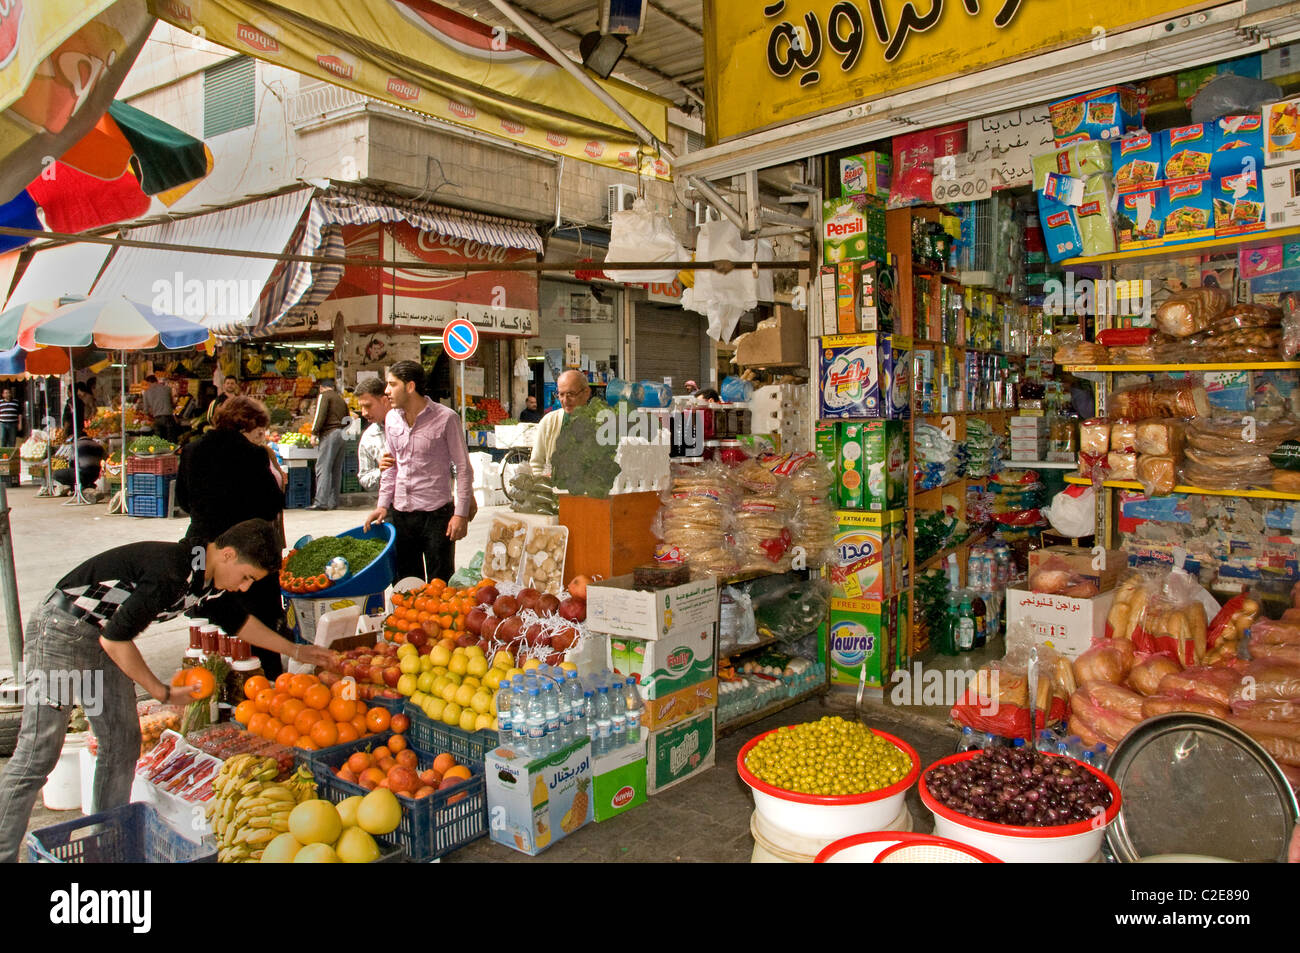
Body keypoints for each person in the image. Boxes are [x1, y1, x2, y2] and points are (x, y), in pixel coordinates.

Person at [0, 519, 334, 863]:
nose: (245, 587)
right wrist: (160, 691)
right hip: (61, 631)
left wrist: (296, 651)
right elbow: (115, 639)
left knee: (121, 744)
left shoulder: (205, 578)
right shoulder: (173, 573)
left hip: (101, 640)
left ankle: (107, 846)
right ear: (229, 554)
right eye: (247, 577)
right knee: (37, 754)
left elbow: (238, 623)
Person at [176, 396, 290, 678]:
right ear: (246, 426)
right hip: (244, 549)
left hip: (200, 545)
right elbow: (271, 504)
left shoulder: (191, 450)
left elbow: (182, 500)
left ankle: (212, 681)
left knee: (206, 615)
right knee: (257, 615)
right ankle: (264, 679)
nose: (260, 436)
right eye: (258, 430)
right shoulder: (253, 455)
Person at [364, 361, 473, 583]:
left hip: (437, 516)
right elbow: (391, 465)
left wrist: (460, 514)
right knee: (405, 584)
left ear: (410, 386)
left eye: (392, 384)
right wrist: (382, 505)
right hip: (401, 514)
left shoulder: (446, 418)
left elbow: (463, 469)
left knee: (439, 584)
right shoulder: (392, 419)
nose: (386, 391)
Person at [530, 369, 590, 476]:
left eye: (571, 394)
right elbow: (537, 465)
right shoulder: (549, 422)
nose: (565, 400)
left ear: (586, 393)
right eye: (561, 394)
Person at [310, 380, 350, 511]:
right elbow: (348, 419)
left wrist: (314, 433)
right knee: (336, 469)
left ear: (321, 388)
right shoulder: (340, 399)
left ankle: (321, 502)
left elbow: (319, 415)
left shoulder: (324, 396)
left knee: (323, 467)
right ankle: (333, 502)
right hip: (342, 434)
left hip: (330, 433)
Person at [354, 377, 390, 492]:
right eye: (361, 407)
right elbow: (364, 477)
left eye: (368, 406)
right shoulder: (369, 436)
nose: (364, 413)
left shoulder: (410, 424)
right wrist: (381, 471)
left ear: (384, 400)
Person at [140, 375, 179, 442]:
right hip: (169, 417)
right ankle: (173, 452)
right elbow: (172, 404)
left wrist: (150, 416)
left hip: (157, 419)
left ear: (149, 382)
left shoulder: (146, 393)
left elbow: (146, 410)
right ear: (156, 381)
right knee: (172, 441)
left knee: (160, 442)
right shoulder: (167, 389)